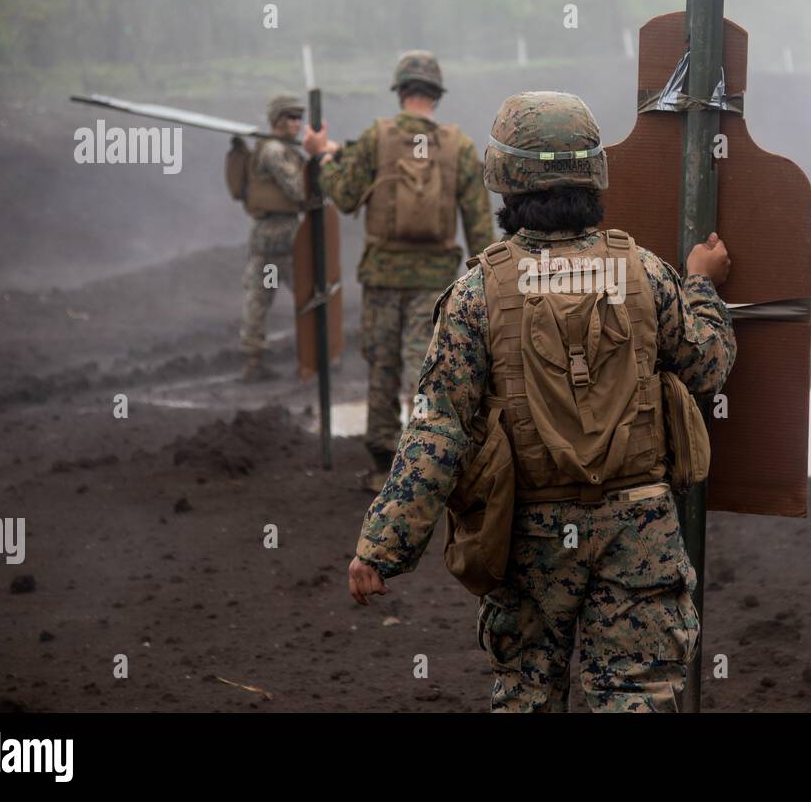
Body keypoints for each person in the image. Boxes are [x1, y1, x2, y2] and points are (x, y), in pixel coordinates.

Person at [346, 90, 735, 712]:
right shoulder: (646, 273)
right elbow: (708, 365)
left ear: (505, 179)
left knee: (526, 694)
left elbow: (436, 433)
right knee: (636, 694)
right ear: (593, 174)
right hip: (639, 528)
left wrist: (382, 548)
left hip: (531, 536)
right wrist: (703, 285)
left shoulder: (477, 292)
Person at [304, 51, 496, 483]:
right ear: (436, 95)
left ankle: (379, 463)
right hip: (434, 280)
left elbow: (346, 194)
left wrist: (322, 158)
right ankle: (422, 464)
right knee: (423, 368)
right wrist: (487, 287)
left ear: (401, 91)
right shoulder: (460, 147)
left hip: (382, 277)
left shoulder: (377, 137)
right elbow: (480, 227)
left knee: (382, 365)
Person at [240, 94, 307, 382]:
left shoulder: (280, 149)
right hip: (279, 241)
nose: (297, 124)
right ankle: (255, 361)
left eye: (298, 118)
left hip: (277, 239)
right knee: (296, 297)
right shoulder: (276, 151)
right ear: (278, 121)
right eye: (291, 118)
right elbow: (299, 191)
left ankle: (260, 358)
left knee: (266, 299)